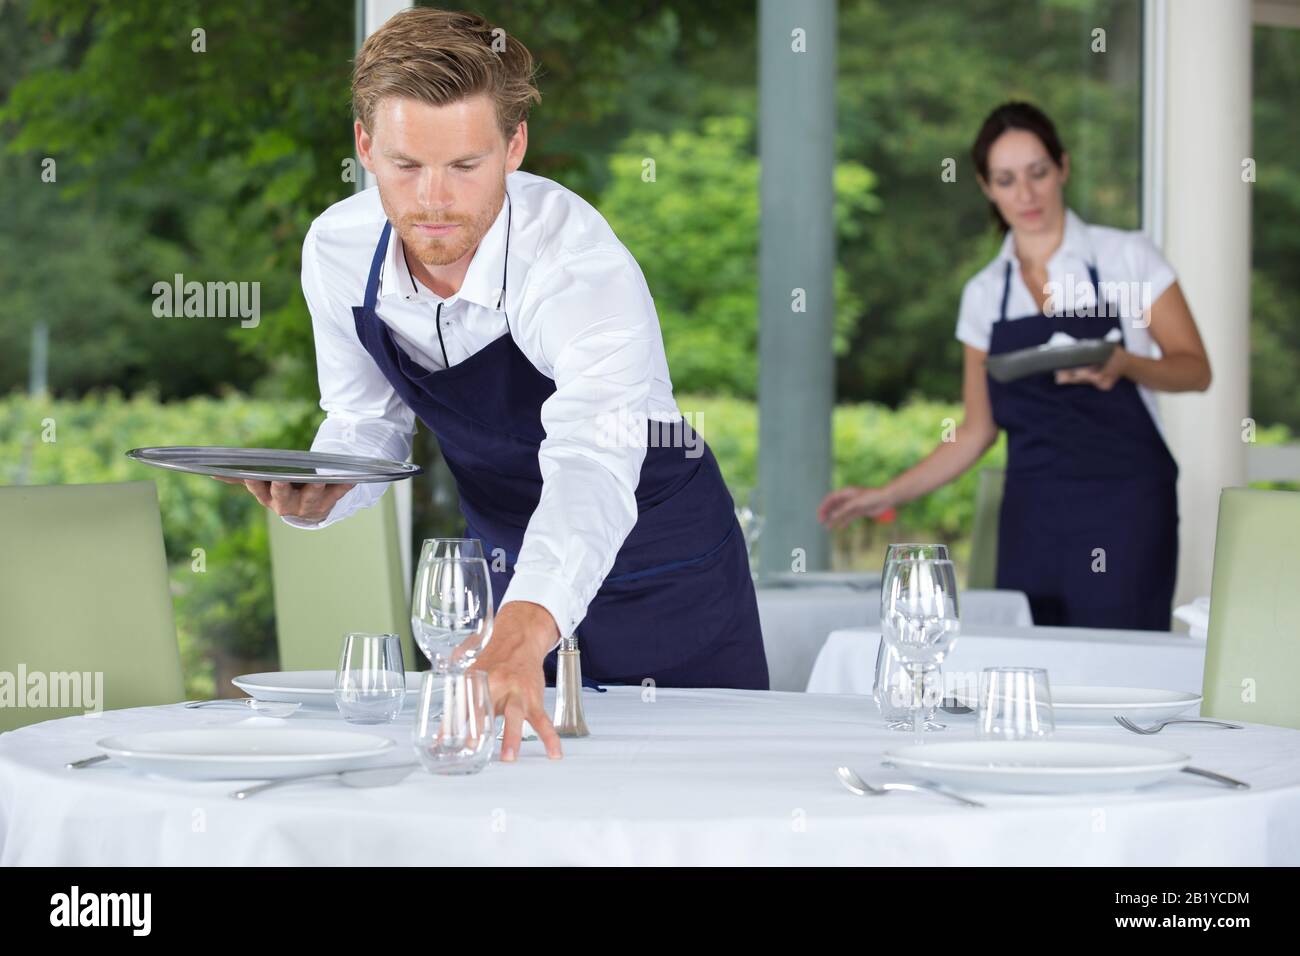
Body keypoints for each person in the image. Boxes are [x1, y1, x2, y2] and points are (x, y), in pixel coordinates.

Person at [220, 8, 768, 761]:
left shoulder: (577, 266)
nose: (434, 200)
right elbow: (363, 418)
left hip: (658, 559)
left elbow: (590, 464)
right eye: (406, 166)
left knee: (697, 794)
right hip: (506, 559)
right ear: (364, 147)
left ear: (514, 147)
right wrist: (333, 482)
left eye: (465, 166)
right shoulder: (338, 251)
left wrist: (524, 627)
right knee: (510, 802)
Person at [818, 101, 1211, 631]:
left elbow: (1194, 369)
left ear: (1063, 167)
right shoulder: (984, 294)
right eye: (1005, 180)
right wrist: (884, 494)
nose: (1025, 195)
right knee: (1032, 663)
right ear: (985, 186)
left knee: (1121, 670)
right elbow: (977, 429)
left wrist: (1124, 363)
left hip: (1126, 507)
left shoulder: (1126, 259)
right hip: (1033, 512)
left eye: (1038, 173)